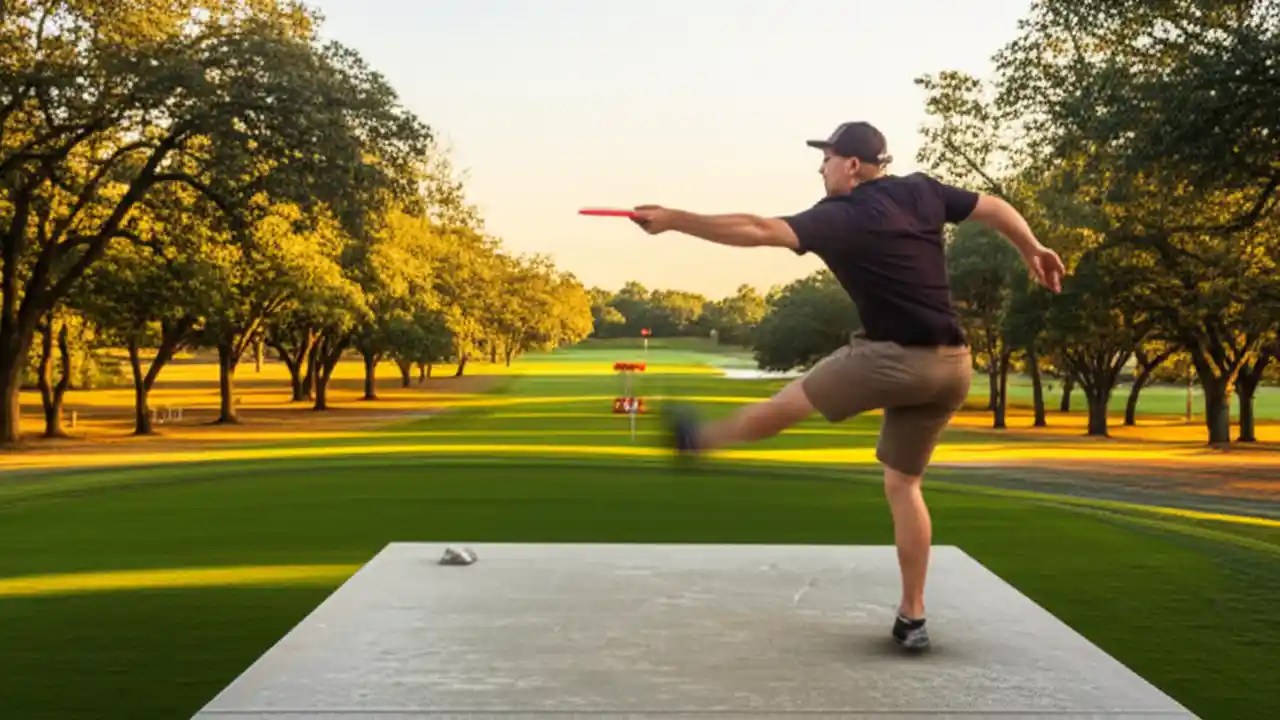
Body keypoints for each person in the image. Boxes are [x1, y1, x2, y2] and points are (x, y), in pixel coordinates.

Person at [629, 121, 1065, 651]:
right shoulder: (922, 191)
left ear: (852, 166)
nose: (821, 168)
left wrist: (675, 219)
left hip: (890, 359)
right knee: (904, 486)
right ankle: (913, 616)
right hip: (952, 367)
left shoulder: (843, 216)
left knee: (790, 402)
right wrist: (1032, 247)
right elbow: (993, 206)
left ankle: (698, 441)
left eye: (827, 158)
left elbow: (759, 228)